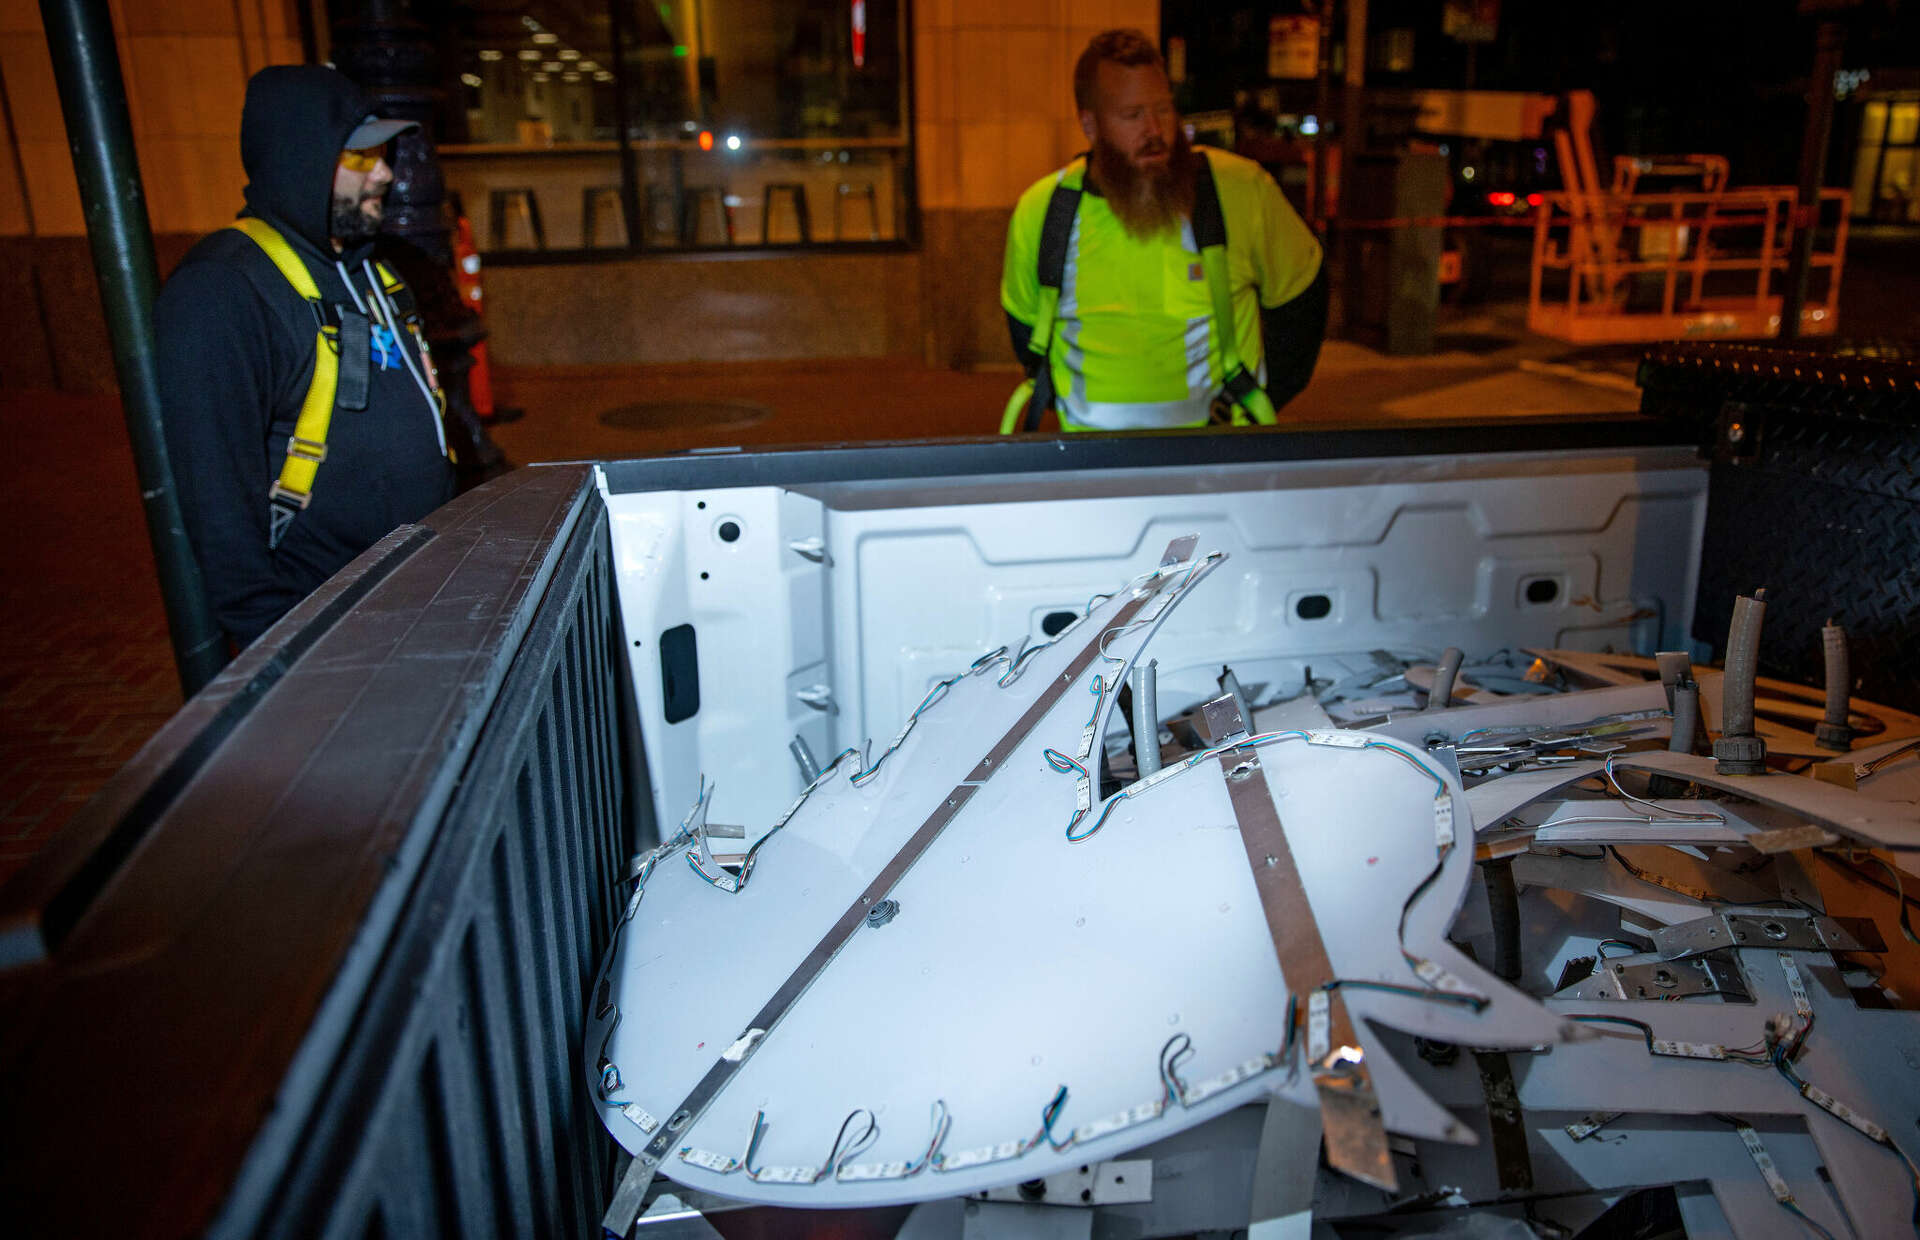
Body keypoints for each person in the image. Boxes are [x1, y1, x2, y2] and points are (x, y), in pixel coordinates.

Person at [157, 65, 455, 649]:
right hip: (329, 635)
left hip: (423, 604)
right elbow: (220, 523)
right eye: (363, 158)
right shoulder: (222, 291)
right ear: (303, 158)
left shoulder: (377, 272)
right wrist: (285, 662)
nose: (388, 175)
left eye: (385, 154)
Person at [1000, 29, 1328, 433]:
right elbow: (1029, 342)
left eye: (1163, 108)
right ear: (1091, 124)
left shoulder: (1242, 191)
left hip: (1220, 460)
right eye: (1132, 115)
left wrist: (1249, 403)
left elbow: (1302, 309)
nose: (1154, 130)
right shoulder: (1043, 211)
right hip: (1092, 466)